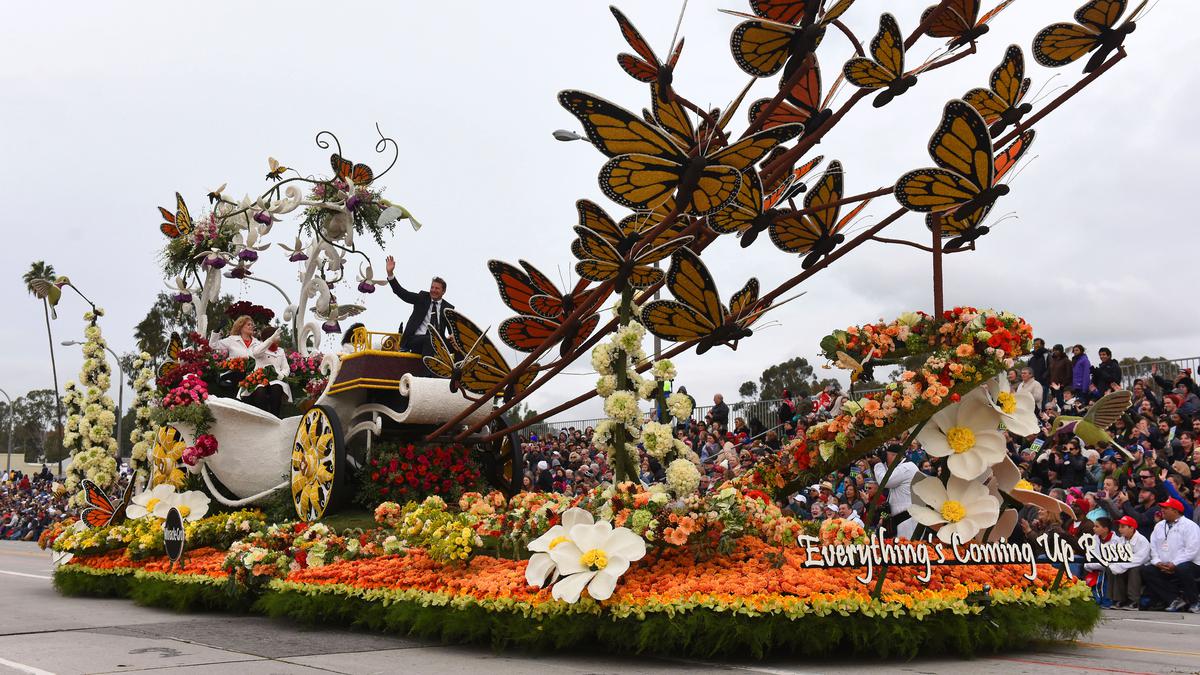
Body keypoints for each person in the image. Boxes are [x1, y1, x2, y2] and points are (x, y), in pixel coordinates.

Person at [384, 255, 454, 356]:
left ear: (443, 291)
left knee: (460, 346)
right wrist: (390, 274)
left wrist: (453, 337)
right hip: (414, 340)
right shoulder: (422, 298)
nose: (433, 290)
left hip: (438, 342)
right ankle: (427, 372)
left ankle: (458, 371)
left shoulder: (448, 308)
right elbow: (401, 292)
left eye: (437, 288)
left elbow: (453, 330)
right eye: (432, 287)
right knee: (430, 340)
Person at [1140, 498, 1200, 612]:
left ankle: (1195, 601)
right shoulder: (1159, 526)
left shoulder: (1190, 526)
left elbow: (1192, 550)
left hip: (1191, 564)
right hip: (1165, 565)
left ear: (1176, 511)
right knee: (1147, 570)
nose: (1162, 510)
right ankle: (1174, 599)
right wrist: (1158, 562)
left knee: (1183, 568)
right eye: (1162, 508)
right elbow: (1153, 547)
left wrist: (1174, 564)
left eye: (1165, 508)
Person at [870, 444, 920, 539]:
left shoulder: (906, 467)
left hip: (906, 518)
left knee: (905, 547)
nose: (886, 458)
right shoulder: (904, 466)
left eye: (887, 456)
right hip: (901, 518)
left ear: (894, 456)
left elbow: (885, 481)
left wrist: (878, 464)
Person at [1107, 515, 1151, 610]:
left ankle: (1134, 601)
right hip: (1126, 565)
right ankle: (1118, 599)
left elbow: (1140, 559)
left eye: (1123, 527)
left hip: (1142, 567)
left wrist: (1122, 565)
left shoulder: (1142, 540)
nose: (1120, 529)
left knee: (1134, 569)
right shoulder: (1120, 540)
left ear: (1132, 528)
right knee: (1112, 567)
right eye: (1119, 527)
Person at [1029, 338, 1051, 404]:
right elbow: (1028, 368)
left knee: (1043, 401)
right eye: (1034, 344)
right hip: (1032, 382)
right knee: (1032, 401)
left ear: (1042, 345)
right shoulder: (1031, 356)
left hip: (1043, 383)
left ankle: (1043, 414)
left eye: (1037, 344)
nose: (1036, 345)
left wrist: (1043, 377)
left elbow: (1050, 368)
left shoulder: (1046, 355)